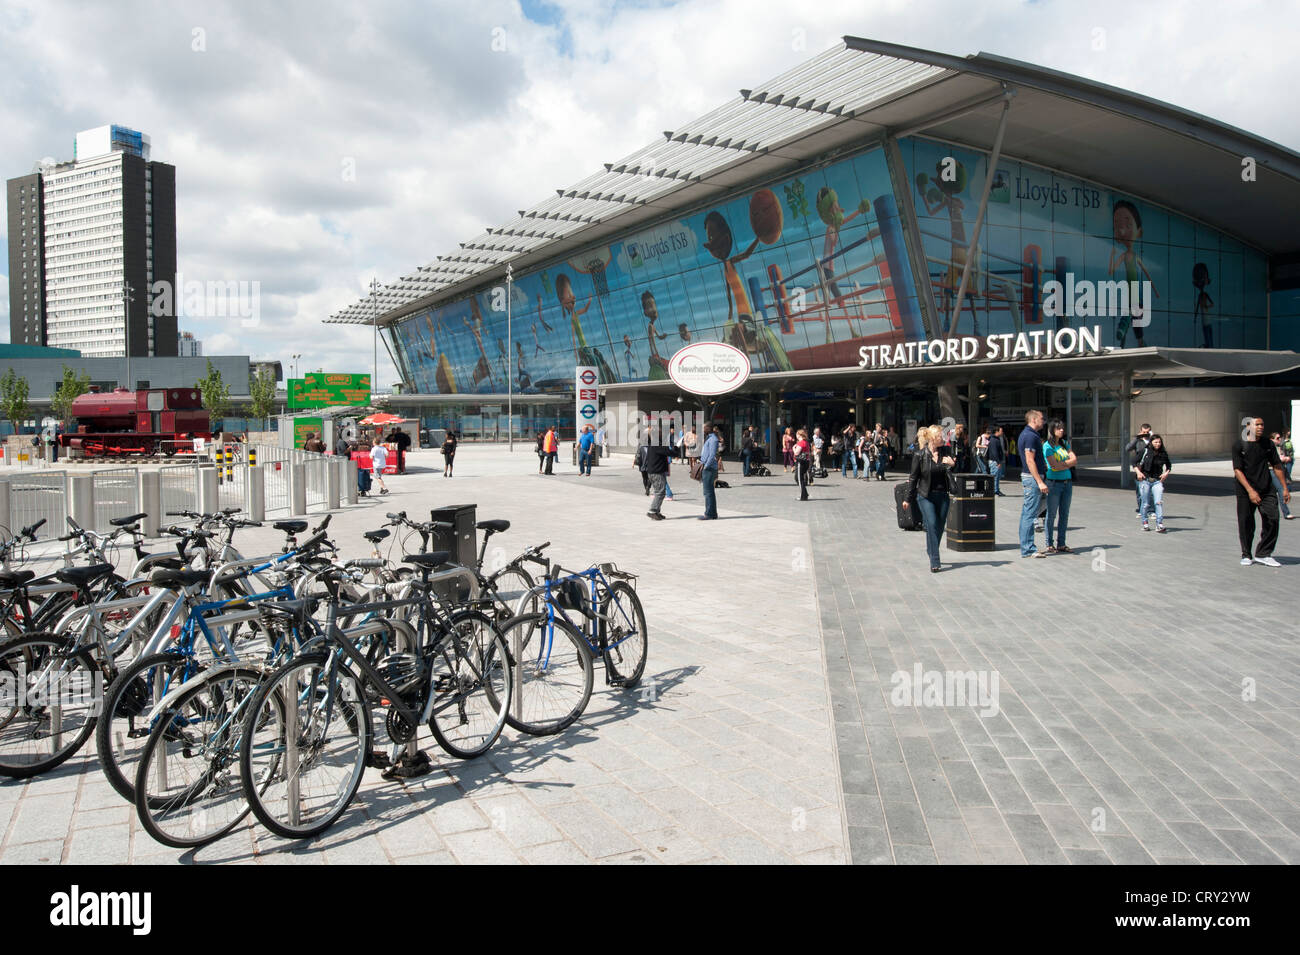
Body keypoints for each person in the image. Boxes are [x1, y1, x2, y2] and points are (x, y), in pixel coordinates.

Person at [1233, 417, 1289, 566]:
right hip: (1245, 490)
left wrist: (1284, 488)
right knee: (1246, 522)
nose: (1260, 427)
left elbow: (1277, 465)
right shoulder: (1239, 445)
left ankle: (1264, 553)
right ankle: (1246, 554)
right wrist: (1251, 491)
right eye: (1257, 424)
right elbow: (1237, 470)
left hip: (1266, 488)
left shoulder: (1268, 444)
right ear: (1249, 426)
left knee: (1273, 518)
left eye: (1262, 424)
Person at [901, 425, 956, 572]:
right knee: (931, 524)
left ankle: (931, 550)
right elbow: (913, 478)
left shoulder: (945, 452)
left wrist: (952, 465)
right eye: (940, 437)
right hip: (925, 496)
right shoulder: (920, 455)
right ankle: (935, 560)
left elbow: (950, 471)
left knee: (938, 527)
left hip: (943, 495)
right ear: (932, 439)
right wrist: (907, 498)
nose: (943, 439)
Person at [1042, 419, 1077, 554]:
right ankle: (1049, 544)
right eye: (1059, 428)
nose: (1062, 430)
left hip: (1067, 482)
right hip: (1054, 483)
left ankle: (1061, 543)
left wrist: (1063, 464)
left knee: (1064, 514)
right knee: (1051, 514)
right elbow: (1053, 465)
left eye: (1062, 428)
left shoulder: (1064, 444)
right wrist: (1067, 463)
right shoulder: (1047, 446)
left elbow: (1074, 459)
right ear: (1052, 430)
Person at [1019, 410, 1048, 558]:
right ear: (1034, 419)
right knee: (1029, 514)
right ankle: (1028, 548)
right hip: (1032, 478)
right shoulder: (1030, 436)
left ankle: (1028, 546)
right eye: (1042, 418)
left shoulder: (1029, 435)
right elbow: (1030, 460)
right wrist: (1040, 481)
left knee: (1028, 513)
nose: (1044, 421)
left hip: (1031, 478)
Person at [1135, 434, 1172, 532]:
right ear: (1151, 442)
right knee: (1145, 503)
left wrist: (1165, 474)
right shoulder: (1145, 451)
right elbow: (1134, 462)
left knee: (1158, 502)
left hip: (1157, 481)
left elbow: (1169, 465)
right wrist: (1138, 472)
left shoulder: (1163, 453)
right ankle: (1145, 523)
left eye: (1159, 442)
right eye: (1156, 442)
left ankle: (1159, 524)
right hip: (1145, 480)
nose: (1158, 444)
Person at [1125, 423, 1153, 516]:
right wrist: (1137, 437)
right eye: (1144, 432)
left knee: (1151, 491)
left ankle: (1151, 511)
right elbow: (1128, 448)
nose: (1146, 434)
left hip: (1151, 468)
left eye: (1147, 432)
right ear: (1141, 431)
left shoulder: (1153, 440)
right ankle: (1142, 510)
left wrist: (1152, 438)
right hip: (1139, 468)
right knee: (1140, 490)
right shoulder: (1138, 441)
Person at [644, 438, 672, 521]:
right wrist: (676, 449)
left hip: (654, 471)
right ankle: (652, 511)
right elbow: (668, 452)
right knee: (660, 492)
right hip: (656, 472)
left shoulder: (653, 443)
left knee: (658, 492)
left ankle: (656, 512)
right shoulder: (657, 444)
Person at [1270, 432, 1293, 520]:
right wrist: (1282, 459)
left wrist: (1285, 458)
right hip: (1272, 470)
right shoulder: (1269, 447)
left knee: (1285, 488)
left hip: (1281, 469)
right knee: (1281, 489)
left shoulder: (1279, 447)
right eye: (1277, 438)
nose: (1279, 439)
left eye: (1280, 438)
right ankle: (1286, 512)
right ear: (1272, 439)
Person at [698, 423, 719, 520]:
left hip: (709, 469)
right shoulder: (709, 438)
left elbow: (712, 455)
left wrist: (705, 466)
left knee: (708, 492)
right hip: (707, 467)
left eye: (704, 427)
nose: (702, 429)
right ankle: (712, 513)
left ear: (708, 428)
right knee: (709, 491)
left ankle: (709, 514)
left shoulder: (713, 439)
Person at [987, 425, 1007, 496]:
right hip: (994, 461)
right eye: (1001, 431)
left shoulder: (996, 439)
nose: (1002, 432)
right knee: (995, 477)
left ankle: (996, 490)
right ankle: (995, 490)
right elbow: (994, 452)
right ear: (997, 431)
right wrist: (998, 462)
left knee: (997, 477)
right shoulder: (993, 440)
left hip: (996, 461)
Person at [793, 428, 812, 501]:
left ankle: (802, 496)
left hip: (800, 462)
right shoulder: (806, 442)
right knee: (799, 478)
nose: (796, 436)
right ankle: (805, 493)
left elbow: (796, 453)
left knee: (799, 478)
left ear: (799, 435)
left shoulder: (801, 443)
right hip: (806, 461)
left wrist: (793, 448)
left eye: (797, 434)